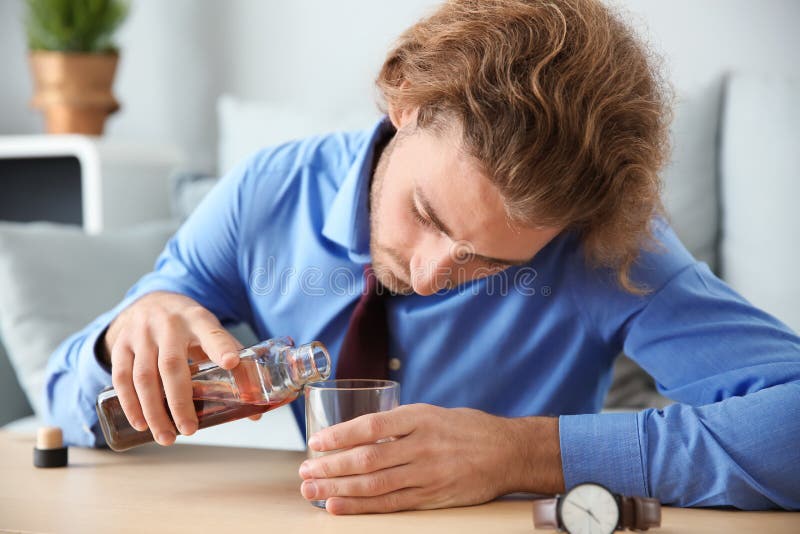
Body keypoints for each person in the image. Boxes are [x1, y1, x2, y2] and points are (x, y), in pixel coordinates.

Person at [45, 0, 799, 514]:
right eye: (427, 215)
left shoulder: (605, 245)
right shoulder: (268, 195)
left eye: (486, 262)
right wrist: (128, 337)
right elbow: (61, 403)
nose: (435, 275)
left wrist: (524, 454)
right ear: (404, 99)